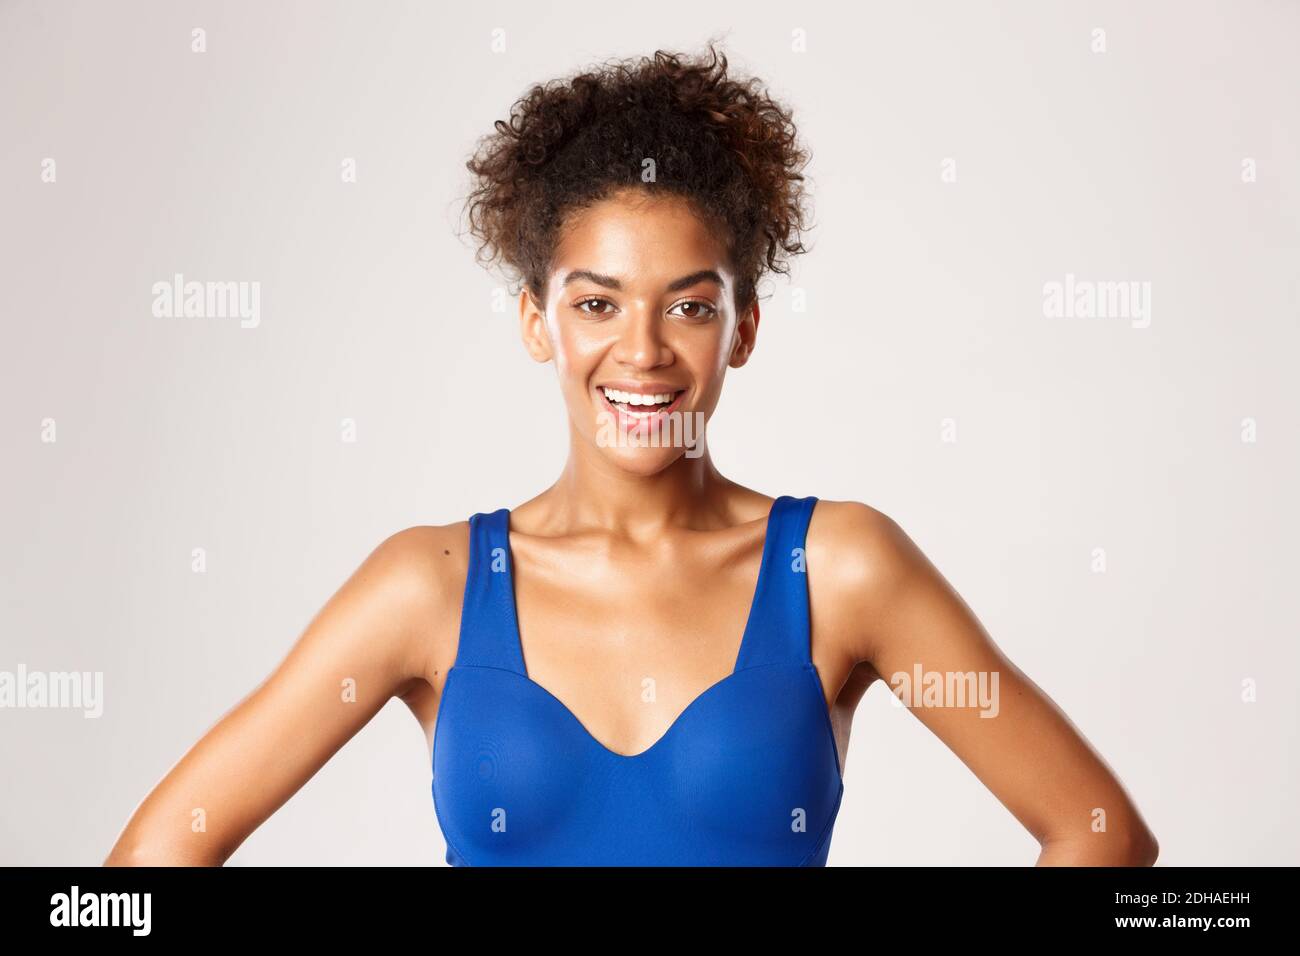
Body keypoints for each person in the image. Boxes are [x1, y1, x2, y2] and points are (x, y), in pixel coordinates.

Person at [105, 43, 1158, 867]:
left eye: (689, 306)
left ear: (741, 327)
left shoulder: (840, 568)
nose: (643, 351)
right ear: (535, 321)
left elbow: (1099, 829)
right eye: (597, 302)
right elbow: (159, 850)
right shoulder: (426, 587)